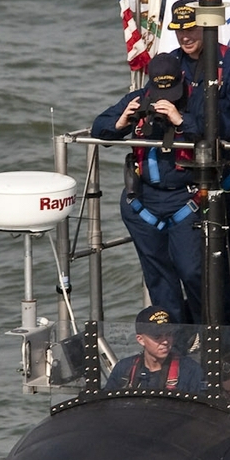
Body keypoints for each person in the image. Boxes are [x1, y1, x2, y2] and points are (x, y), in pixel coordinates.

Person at [162, 0, 230, 323]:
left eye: (191, 30)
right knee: (188, 262)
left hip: (227, 174)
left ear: (207, 27)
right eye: (179, 31)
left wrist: (189, 124)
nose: (185, 37)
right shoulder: (172, 64)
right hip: (183, 178)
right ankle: (193, 327)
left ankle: (227, 329)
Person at [92, 54, 203, 323]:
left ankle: (209, 330)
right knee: (158, 277)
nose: (163, 99)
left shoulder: (197, 99)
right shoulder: (139, 98)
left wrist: (180, 120)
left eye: (171, 91)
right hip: (145, 200)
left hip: (185, 198)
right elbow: (100, 128)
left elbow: (214, 133)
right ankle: (175, 338)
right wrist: (121, 122)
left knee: (193, 271)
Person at [104, 305, 203, 392]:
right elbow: (107, 407)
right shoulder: (123, 369)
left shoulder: (190, 370)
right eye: (157, 337)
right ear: (140, 339)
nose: (165, 342)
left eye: (168, 334)